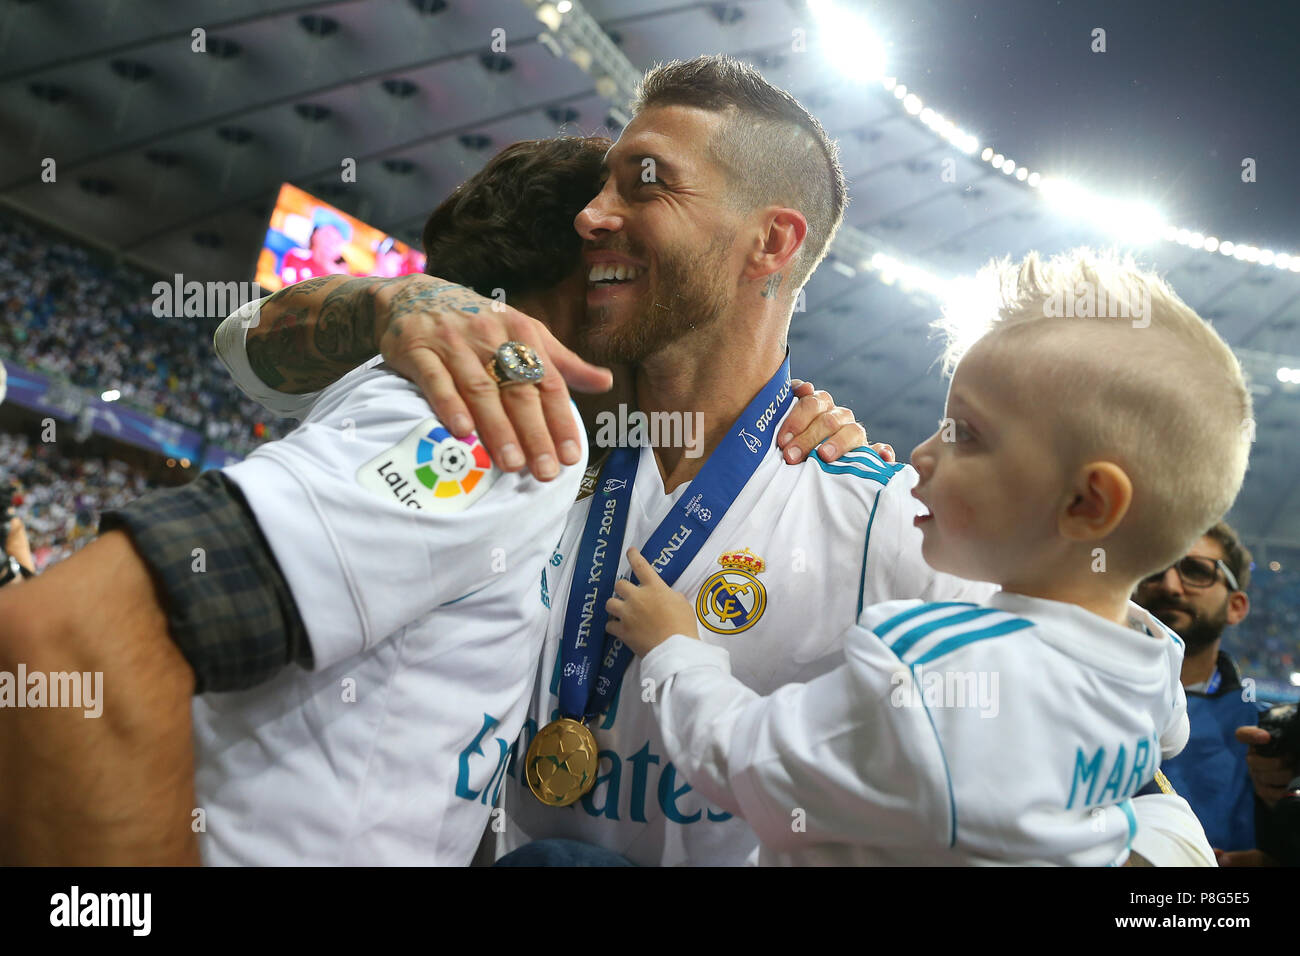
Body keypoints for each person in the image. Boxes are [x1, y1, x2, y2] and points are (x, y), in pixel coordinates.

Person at [201, 55, 1221, 867]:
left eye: (641, 184)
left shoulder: (882, 523)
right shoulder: (517, 420)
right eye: (598, 187)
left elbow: (1126, 792)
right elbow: (244, 345)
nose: (593, 214)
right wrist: (387, 300)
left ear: (770, 242)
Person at [0, 135, 864, 864]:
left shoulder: (538, 433)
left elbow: (240, 345)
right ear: (591, 283)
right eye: (632, 272)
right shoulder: (495, 425)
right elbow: (64, 642)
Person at [606, 248, 1255, 865]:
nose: (919, 454)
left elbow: (744, 763)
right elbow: (1166, 740)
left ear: (1087, 502)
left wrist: (674, 649)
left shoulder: (931, 668)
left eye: (964, 434)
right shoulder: (1149, 665)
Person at [1132, 522, 1278, 860]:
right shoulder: (1069, 704)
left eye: (1196, 571)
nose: (1169, 586)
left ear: (1236, 606)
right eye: (1154, 570)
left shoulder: (1271, 736)